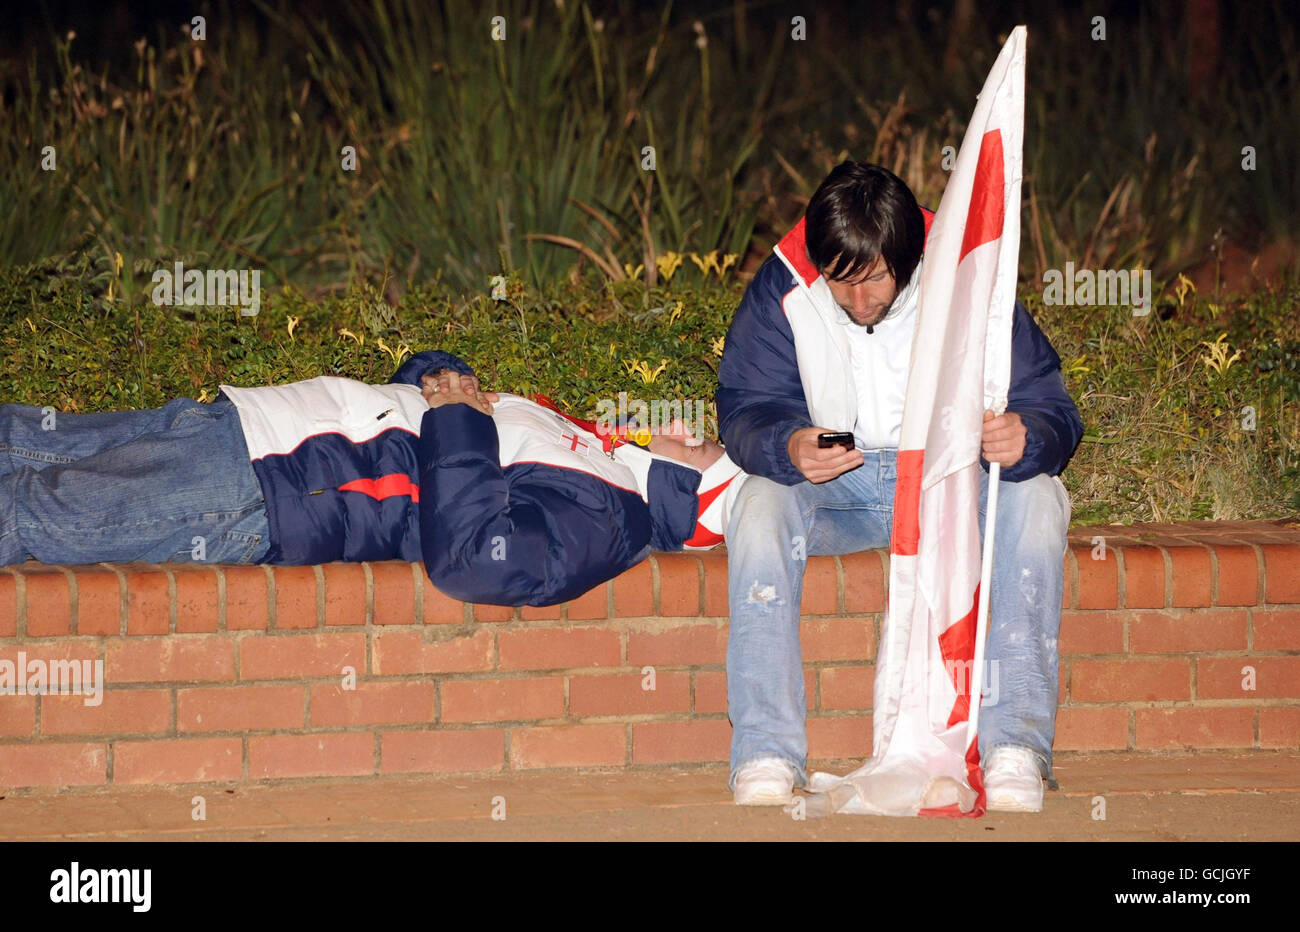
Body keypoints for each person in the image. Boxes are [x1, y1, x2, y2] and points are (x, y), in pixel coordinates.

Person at [716, 161, 1082, 811]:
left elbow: (1050, 405)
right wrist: (786, 443)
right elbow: (744, 404)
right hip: (841, 489)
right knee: (756, 504)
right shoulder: (784, 279)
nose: (860, 302)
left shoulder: (969, 274)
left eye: (877, 279)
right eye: (841, 283)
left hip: (949, 486)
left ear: (909, 257)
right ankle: (767, 752)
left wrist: (1030, 438)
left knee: (1038, 498)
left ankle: (1014, 746)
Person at [0, 350, 746, 607]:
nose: (684, 428)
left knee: (28, 513)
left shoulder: (609, 517)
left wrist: (460, 417)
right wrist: (443, 379)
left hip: (264, 491)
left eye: (703, 443)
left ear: (704, 502)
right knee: (22, 439)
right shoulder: (589, 445)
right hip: (246, 423)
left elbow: (474, 560)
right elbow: (420, 411)